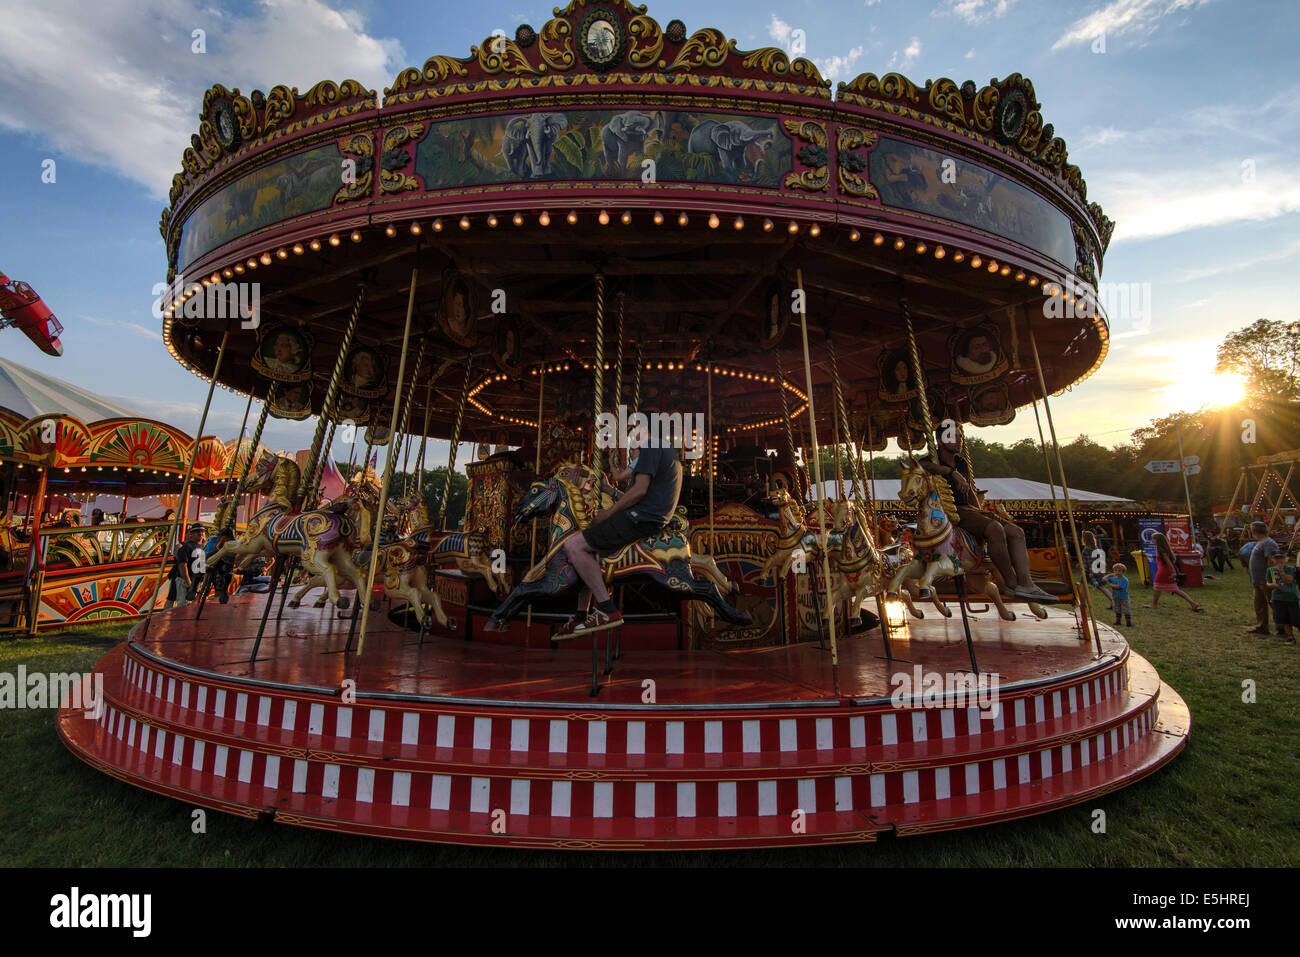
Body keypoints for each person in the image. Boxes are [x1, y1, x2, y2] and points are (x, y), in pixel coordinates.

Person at [559, 414, 683, 635]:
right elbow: (636, 488)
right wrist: (610, 489)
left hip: (641, 518)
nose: (629, 440)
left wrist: (608, 514)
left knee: (573, 546)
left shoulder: (650, 447)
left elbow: (639, 491)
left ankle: (607, 609)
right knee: (591, 549)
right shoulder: (660, 450)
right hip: (648, 515)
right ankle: (581, 614)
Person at [919, 428, 1058, 604]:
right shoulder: (931, 460)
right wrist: (949, 472)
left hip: (970, 508)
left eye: (960, 436)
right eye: (953, 436)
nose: (959, 440)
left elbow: (968, 490)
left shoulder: (960, 462)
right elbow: (922, 466)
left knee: (1016, 532)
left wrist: (982, 511)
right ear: (939, 439)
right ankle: (1010, 582)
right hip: (950, 510)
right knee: (995, 529)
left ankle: (1026, 583)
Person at [1145, 531, 1203, 612]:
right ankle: (1193, 603)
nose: (1152, 540)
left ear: (1157, 540)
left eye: (1153, 539)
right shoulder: (1164, 548)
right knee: (1174, 589)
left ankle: (1154, 605)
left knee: (1157, 586)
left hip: (1164, 571)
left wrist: (1174, 572)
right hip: (1166, 570)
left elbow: (1168, 562)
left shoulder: (1161, 549)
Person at [1246, 521, 1281, 636]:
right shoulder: (1261, 542)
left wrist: (1274, 580)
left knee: (1274, 604)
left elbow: (1272, 561)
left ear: (1254, 531)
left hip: (1266, 581)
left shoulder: (1268, 543)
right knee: (1259, 604)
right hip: (1258, 581)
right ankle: (1262, 626)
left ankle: (1282, 629)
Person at [1264, 552, 1299, 645]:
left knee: (1296, 619)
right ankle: (1290, 637)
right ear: (1273, 559)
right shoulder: (1270, 570)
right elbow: (1267, 582)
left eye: (1281, 558)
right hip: (1278, 598)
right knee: (1284, 619)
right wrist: (1273, 585)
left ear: (1285, 559)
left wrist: (1282, 572)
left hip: (1291, 598)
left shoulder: (1290, 569)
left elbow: (1289, 580)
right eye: (1277, 558)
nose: (1279, 560)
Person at [1104, 563, 1132, 627]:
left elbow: (1119, 587)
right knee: (1117, 609)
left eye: (1119, 571)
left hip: (1123, 598)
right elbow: (1104, 579)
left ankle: (1128, 622)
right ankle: (1118, 621)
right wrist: (1110, 575)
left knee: (1126, 609)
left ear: (1123, 572)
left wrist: (1112, 585)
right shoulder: (1114, 578)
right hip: (1115, 597)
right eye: (1115, 570)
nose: (1117, 572)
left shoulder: (1124, 580)